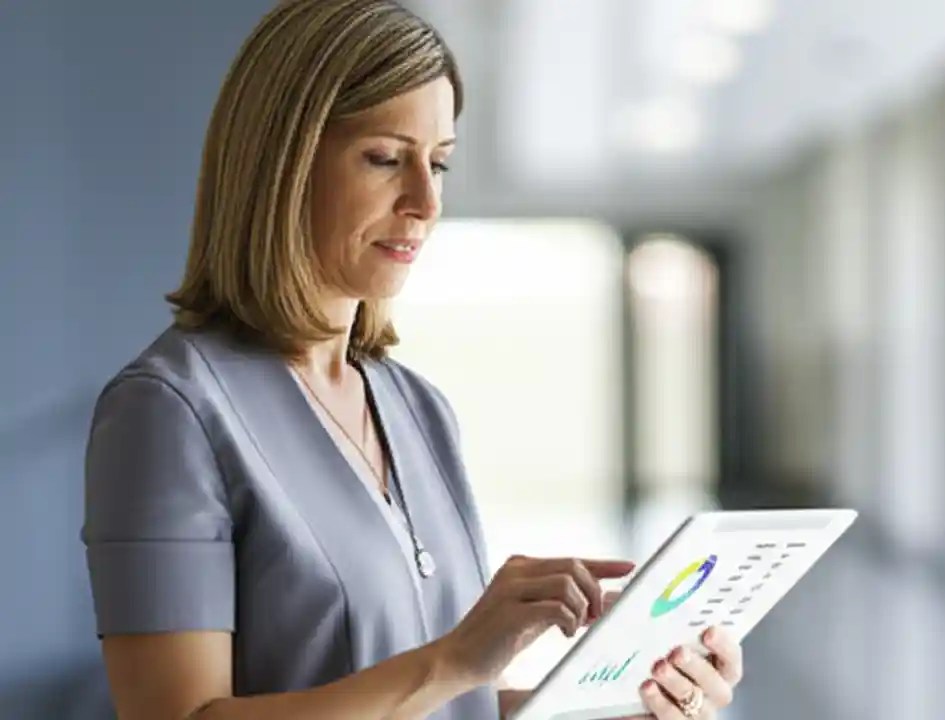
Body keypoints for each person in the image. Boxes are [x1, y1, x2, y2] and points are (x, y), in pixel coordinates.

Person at [79, 1, 745, 718]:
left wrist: (623, 706)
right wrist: (455, 659)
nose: (425, 201)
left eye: (440, 163)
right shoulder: (169, 410)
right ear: (284, 163)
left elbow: (446, 708)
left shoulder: (416, 408)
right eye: (385, 159)